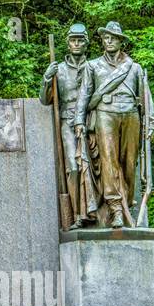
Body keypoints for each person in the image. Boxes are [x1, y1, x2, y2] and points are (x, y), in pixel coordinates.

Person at [75, 22, 154, 228]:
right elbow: (84, 95)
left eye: (112, 38)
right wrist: (78, 120)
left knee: (129, 163)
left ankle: (127, 201)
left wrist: (151, 123)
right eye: (105, 38)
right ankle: (115, 209)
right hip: (105, 114)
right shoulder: (93, 66)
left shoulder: (135, 68)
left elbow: (146, 98)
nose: (108, 41)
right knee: (108, 161)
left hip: (130, 115)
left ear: (121, 41)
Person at [41, 23, 99, 228]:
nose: (76, 43)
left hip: (91, 123)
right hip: (67, 123)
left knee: (93, 167)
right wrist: (47, 78)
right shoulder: (60, 69)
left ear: (86, 43)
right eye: (73, 40)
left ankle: (95, 212)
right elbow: (45, 100)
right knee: (73, 168)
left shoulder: (94, 67)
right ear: (67, 43)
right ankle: (76, 214)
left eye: (80, 40)